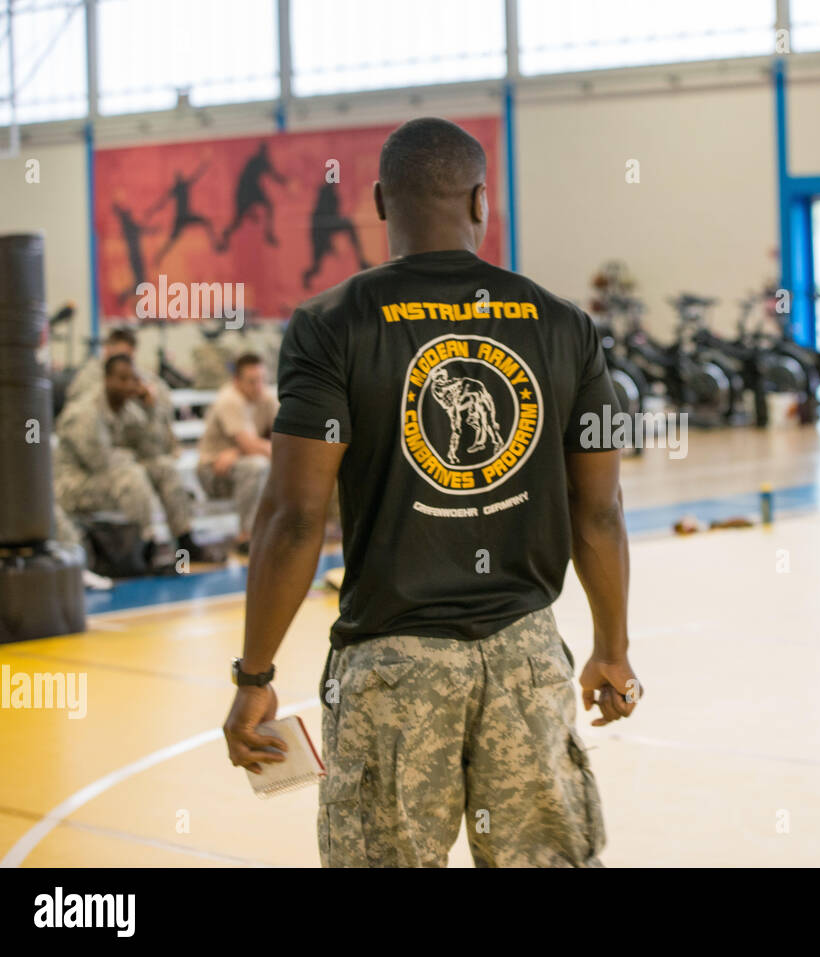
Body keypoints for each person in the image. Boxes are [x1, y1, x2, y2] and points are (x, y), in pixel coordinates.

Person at [221, 117, 642, 868]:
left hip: (392, 670)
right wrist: (613, 648)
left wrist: (255, 675)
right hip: (525, 659)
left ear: (381, 202)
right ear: (482, 200)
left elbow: (292, 518)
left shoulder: (329, 325)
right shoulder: (565, 324)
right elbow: (600, 510)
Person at [55, 354, 215, 570]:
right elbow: (100, 462)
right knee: (133, 477)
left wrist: (150, 409)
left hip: (115, 476)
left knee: (164, 468)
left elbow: (153, 450)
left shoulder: (129, 408)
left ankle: (185, 541)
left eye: (133, 379)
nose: (129, 385)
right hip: (76, 485)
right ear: (106, 379)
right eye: (122, 379)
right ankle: (146, 550)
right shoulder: (86, 412)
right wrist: (132, 459)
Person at [197, 353, 278, 553]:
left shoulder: (267, 396)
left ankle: (292, 527)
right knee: (257, 465)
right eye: (252, 381)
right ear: (237, 381)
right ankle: (247, 535)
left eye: (262, 380)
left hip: (242, 465)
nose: (258, 386)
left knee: (293, 462)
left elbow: (288, 441)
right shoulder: (229, 400)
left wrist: (238, 450)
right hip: (214, 472)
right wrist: (249, 448)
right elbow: (255, 448)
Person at [67, 327, 176, 441]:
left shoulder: (140, 377)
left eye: (128, 357)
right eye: (119, 357)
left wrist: (149, 400)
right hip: (95, 436)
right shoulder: (88, 376)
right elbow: (79, 410)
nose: (123, 362)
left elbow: (161, 403)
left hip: (130, 438)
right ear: (107, 350)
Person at [218, 142, 286, 251]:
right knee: (238, 221)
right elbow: (273, 176)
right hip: (246, 191)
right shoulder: (257, 161)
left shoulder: (261, 161)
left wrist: (285, 181)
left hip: (252, 189)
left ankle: (268, 234)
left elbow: (274, 176)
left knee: (269, 207)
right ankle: (226, 236)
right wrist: (250, 210)